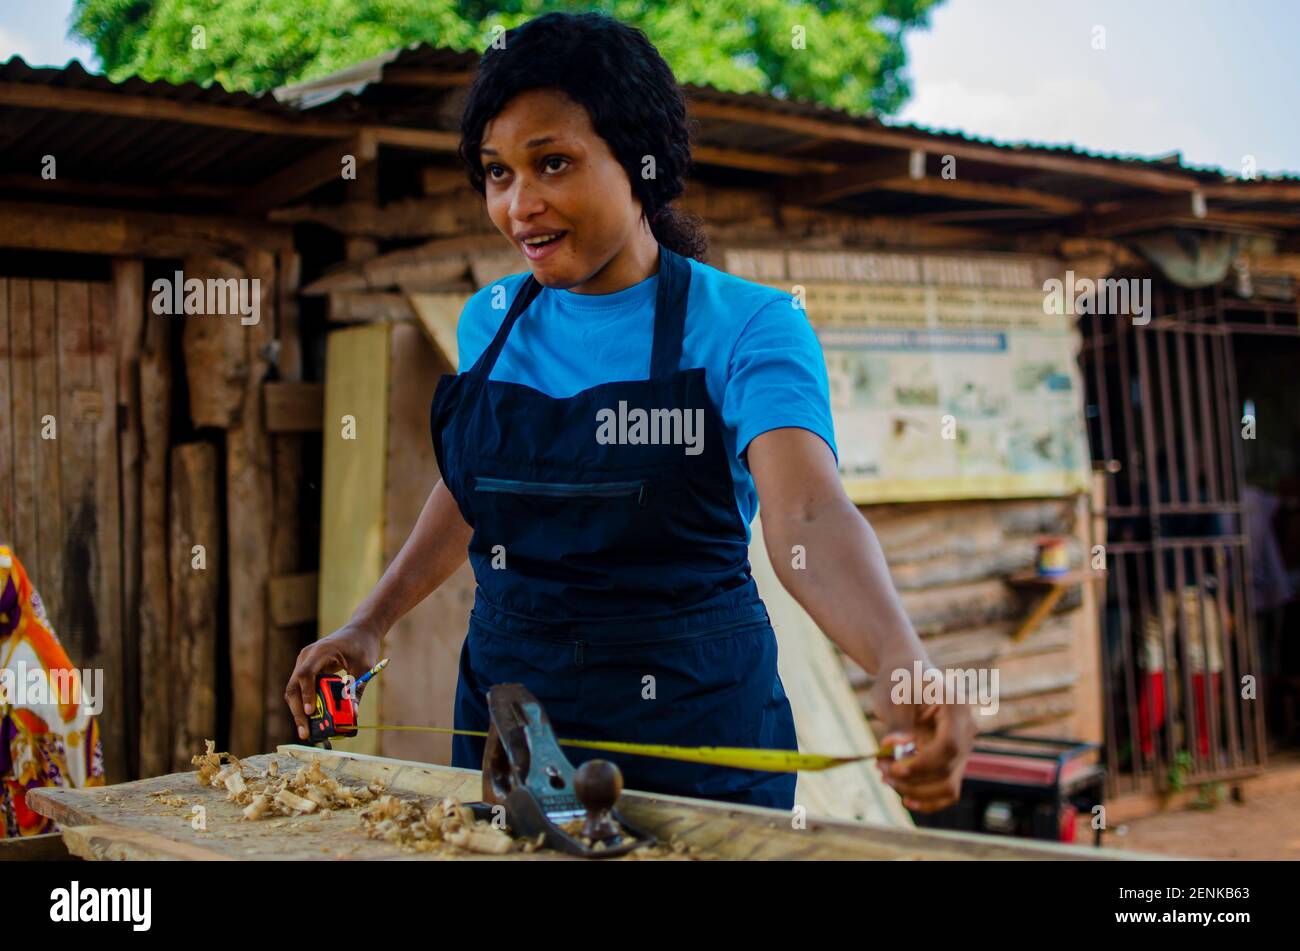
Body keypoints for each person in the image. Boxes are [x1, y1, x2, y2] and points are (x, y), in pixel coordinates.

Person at [286, 11, 974, 811]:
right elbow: (475, 488)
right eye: (498, 173)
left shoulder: (748, 325)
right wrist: (372, 621)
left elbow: (810, 515)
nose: (520, 205)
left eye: (553, 163)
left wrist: (898, 656)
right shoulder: (492, 318)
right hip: (514, 727)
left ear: (641, 165)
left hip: (697, 733)